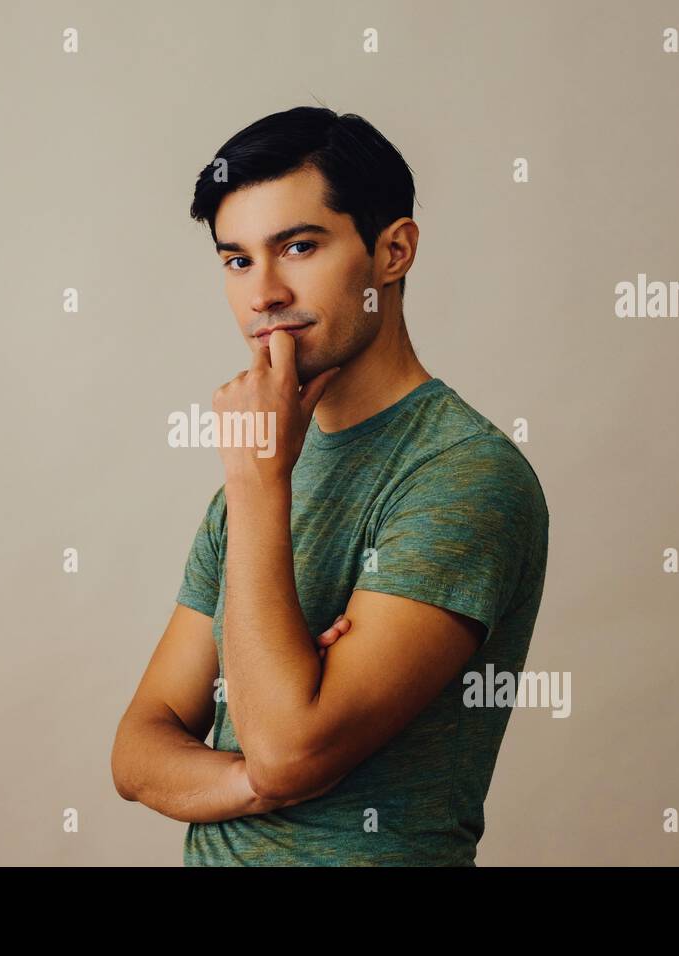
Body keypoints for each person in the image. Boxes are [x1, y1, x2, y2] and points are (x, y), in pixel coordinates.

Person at [111, 105, 550, 865]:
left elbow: (287, 749)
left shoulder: (461, 475)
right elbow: (137, 751)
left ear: (393, 251)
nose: (264, 294)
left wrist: (256, 485)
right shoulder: (261, 480)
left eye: (299, 247)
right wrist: (263, 781)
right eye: (237, 260)